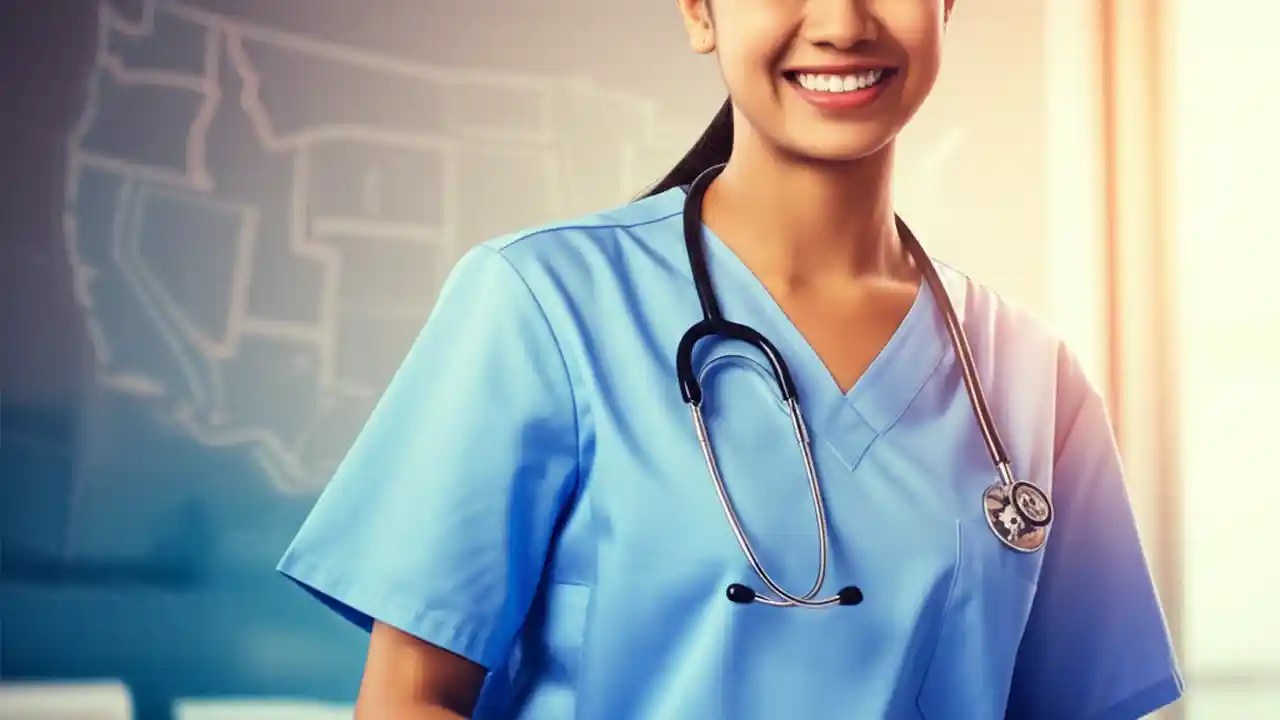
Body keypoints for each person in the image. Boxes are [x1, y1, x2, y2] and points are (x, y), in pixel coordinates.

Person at [277, 0, 1185, 717]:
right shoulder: (541, 304)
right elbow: (409, 701)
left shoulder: (1033, 378)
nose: (841, 22)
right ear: (697, 10)